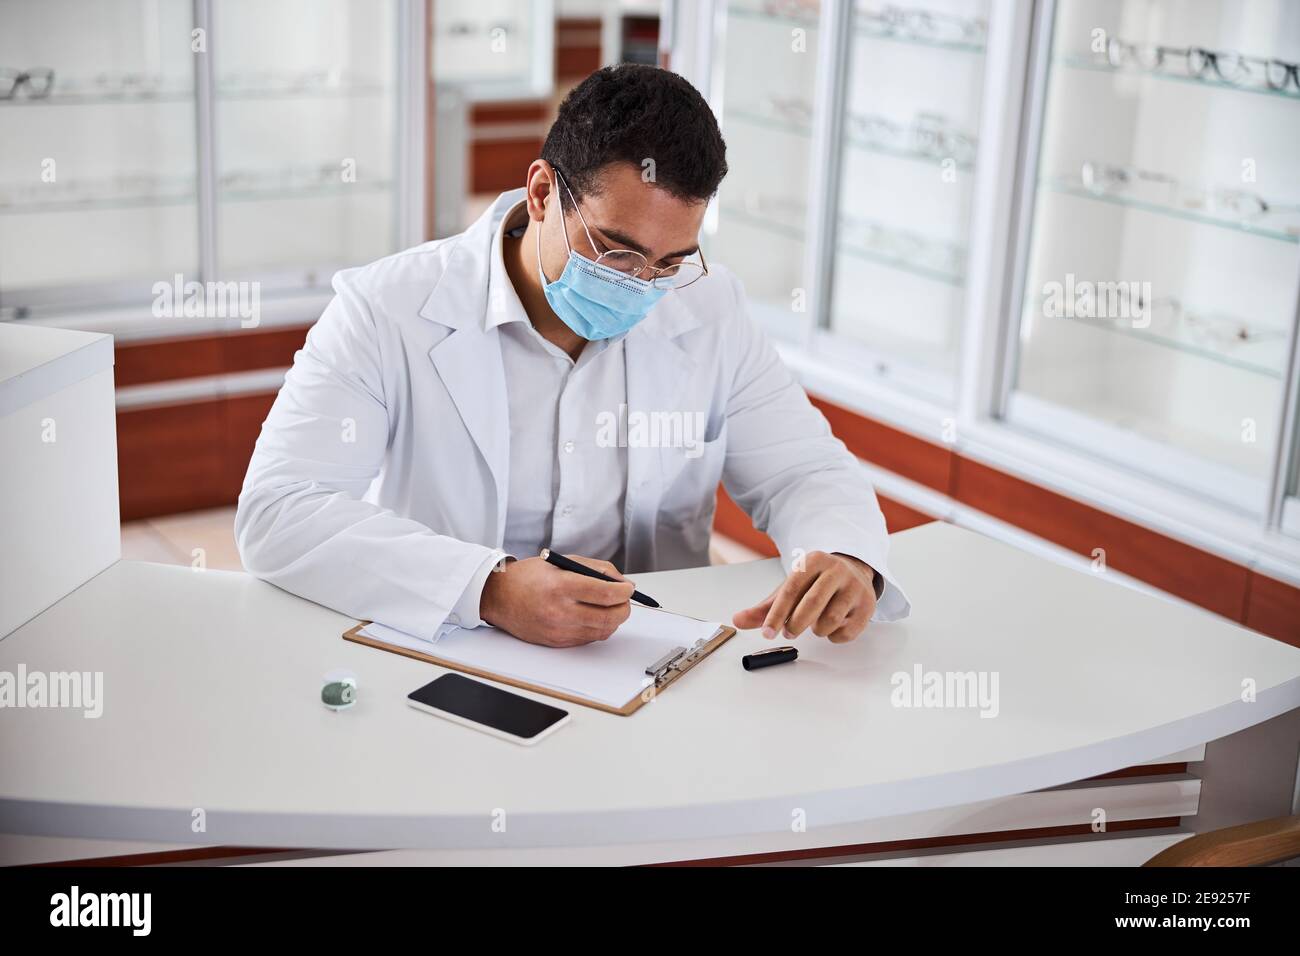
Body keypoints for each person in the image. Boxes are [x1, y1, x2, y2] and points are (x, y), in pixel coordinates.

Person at [235, 64, 909, 648]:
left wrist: (844, 554)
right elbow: (280, 509)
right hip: (452, 647)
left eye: (669, 261)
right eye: (616, 249)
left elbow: (802, 471)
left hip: (648, 661)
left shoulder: (711, 308)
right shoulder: (387, 308)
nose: (641, 284)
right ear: (541, 193)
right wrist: (486, 588)